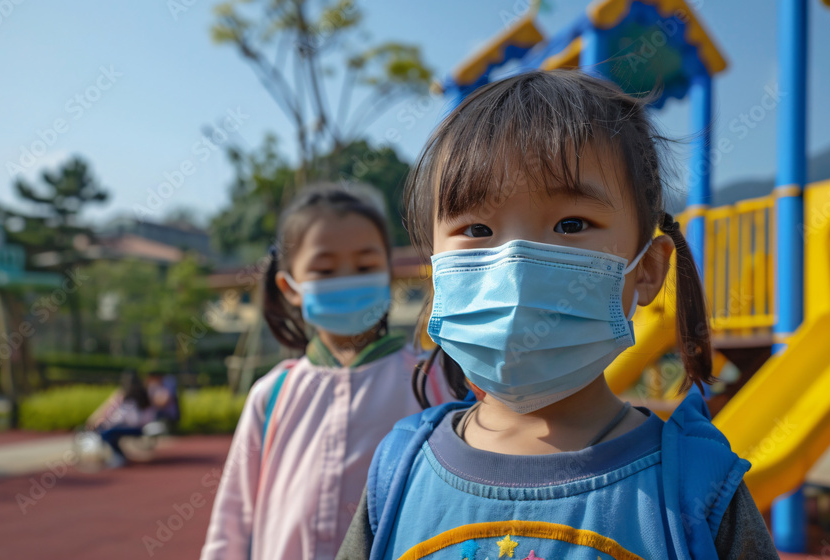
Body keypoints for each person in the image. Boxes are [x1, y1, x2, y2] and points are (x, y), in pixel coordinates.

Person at [336, 70, 779, 560]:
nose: (516, 267)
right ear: (437, 269)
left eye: (571, 224)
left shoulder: (699, 490)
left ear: (647, 270)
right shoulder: (398, 469)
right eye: (477, 228)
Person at [200, 183, 450, 560]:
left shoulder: (431, 382)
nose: (347, 279)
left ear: (388, 274)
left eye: (365, 266)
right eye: (325, 269)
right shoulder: (272, 395)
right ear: (290, 287)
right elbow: (231, 525)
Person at [86, 370, 157, 468]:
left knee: (106, 433)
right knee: (110, 432)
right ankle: (118, 455)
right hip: (142, 428)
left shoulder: (123, 394)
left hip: (132, 427)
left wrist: (93, 421)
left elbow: (107, 410)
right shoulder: (144, 393)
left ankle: (117, 456)